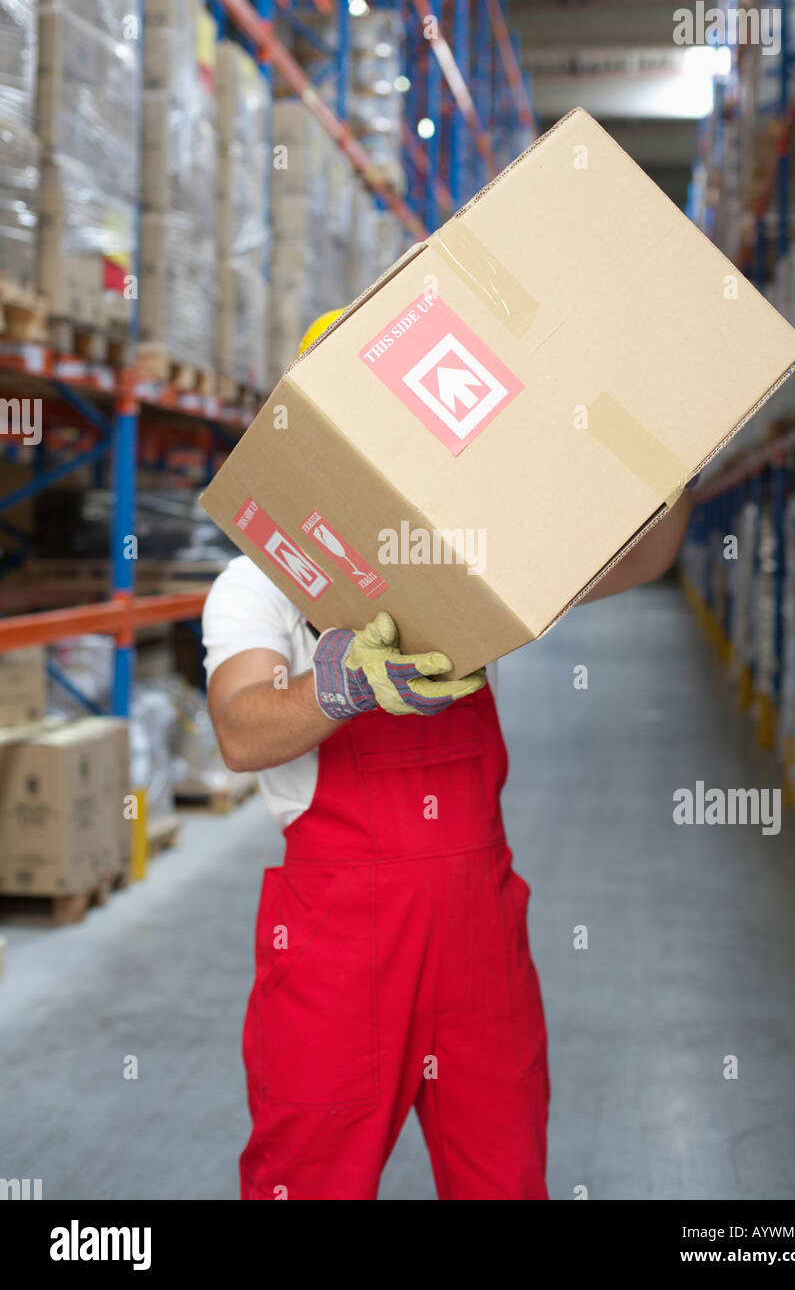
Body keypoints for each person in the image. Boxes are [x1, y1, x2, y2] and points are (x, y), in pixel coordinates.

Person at [202, 310, 695, 1201]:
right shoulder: (260, 577)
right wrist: (340, 686)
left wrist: (668, 449)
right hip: (337, 945)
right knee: (306, 1182)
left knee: (504, 1178)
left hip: (479, 932)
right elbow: (239, 727)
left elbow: (646, 556)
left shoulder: (462, 564)